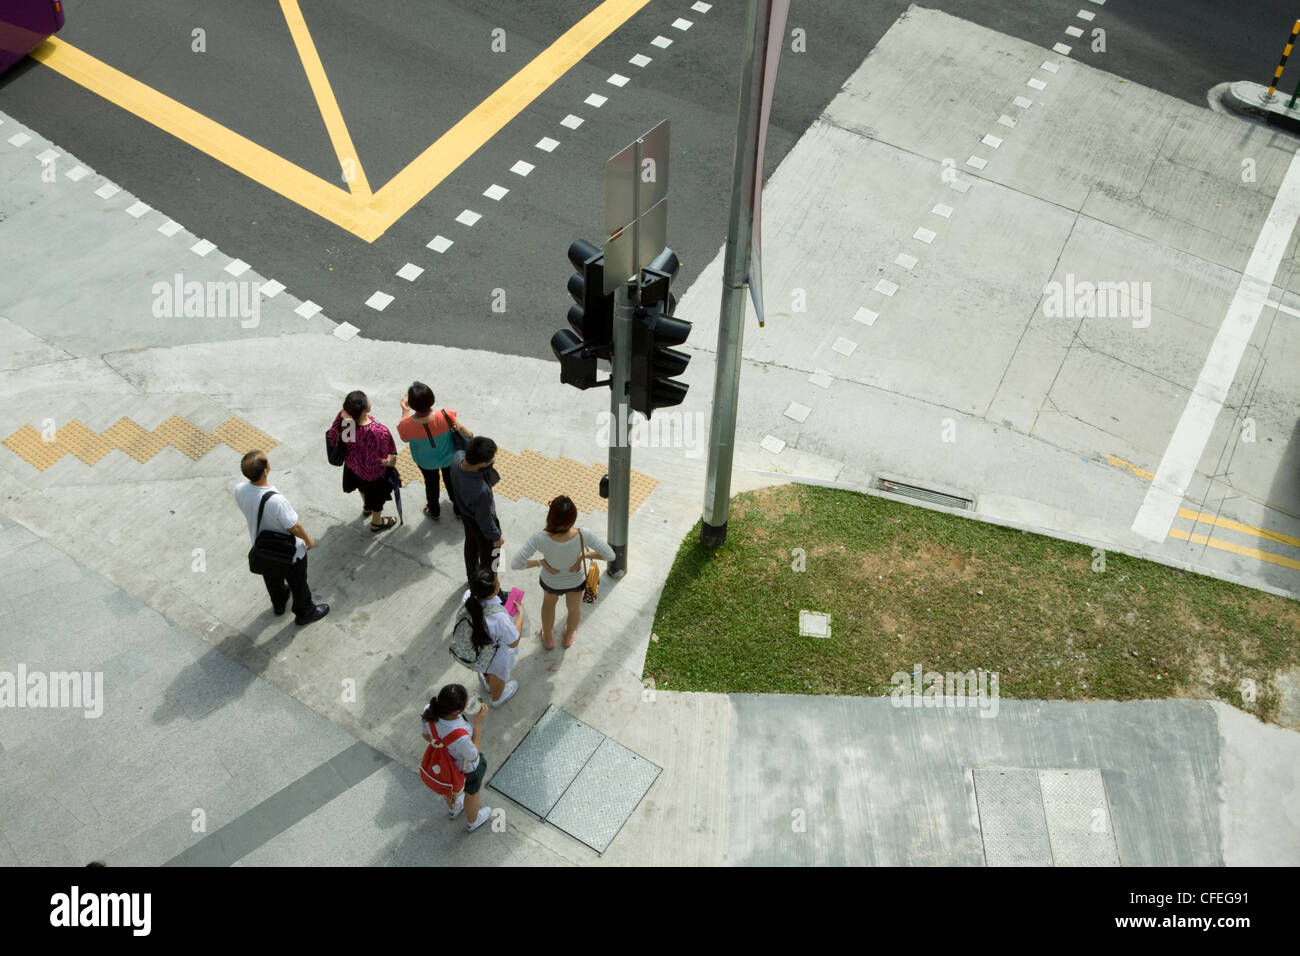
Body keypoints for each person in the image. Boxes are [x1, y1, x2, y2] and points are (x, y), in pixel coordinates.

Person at [234, 450, 329, 625]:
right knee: (298, 582)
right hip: (289, 552)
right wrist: (308, 540)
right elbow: (294, 526)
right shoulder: (276, 501)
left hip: (263, 547)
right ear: (265, 471)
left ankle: (279, 603)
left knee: (271, 576)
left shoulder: (239, 490)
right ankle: (305, 612)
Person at [511, 495, 612, 648]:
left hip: (551, 582)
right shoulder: (583, 534)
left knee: (549, 605)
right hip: (576, 582)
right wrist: (583, 555)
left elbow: (516, 564)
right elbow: (610, 555)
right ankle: (568, 637)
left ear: (550, 516)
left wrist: (541, 562)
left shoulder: (539, 538)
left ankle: (547, 639)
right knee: (574, 609)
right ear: (573, 518)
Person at [395, 381, 474, 521]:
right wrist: (470, 436)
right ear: (432, 399)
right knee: (452, 483)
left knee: (431, 484)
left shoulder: (405, 425)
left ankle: (434, 510)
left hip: (425, 462)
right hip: (449, 458)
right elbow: (463, 430)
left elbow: (405, 439)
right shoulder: (446, 415)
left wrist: (405, 411)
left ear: (412, 405)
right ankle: (459, 509)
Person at [420, 684, 492, 832]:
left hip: (444, 762)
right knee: (472, 792)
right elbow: (473, 755)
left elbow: (426, 735)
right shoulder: (461, 733)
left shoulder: (428, 710)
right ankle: (473, 821)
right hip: (467, 767)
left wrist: (444, 747)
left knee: (447, 784)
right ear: (457, 711)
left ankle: (454, 808)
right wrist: (478, 723)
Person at [327, 390, 399, 533]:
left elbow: (332, 436)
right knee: (377, 499)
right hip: (373, 475)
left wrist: (343, 416)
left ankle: (367, 507)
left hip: (353, 468)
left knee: (362, 488)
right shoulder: (377, 431)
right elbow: (381, 458)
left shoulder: (347, 422)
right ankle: (376, 522)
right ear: (366, 408)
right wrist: (389, 462)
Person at [461, 569, 522, 707]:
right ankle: (497, 697)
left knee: (485, 668)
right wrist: (521, 614)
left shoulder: (467, 597)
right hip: (494, 655)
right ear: (494, 590)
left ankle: (486, 680)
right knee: (498, 676)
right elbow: (513, 641)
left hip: (475, 648)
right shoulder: (498, 617)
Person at [448, 435, 503, 585]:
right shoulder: (480, 491)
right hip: (482, 522)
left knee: (471, 546)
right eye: (491, 459)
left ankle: (472, 577)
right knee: (493, 556)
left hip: (466, 515)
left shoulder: (458, 457)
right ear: (483, 463)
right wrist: (496, 537)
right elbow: (485, 519)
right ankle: (490, 587)